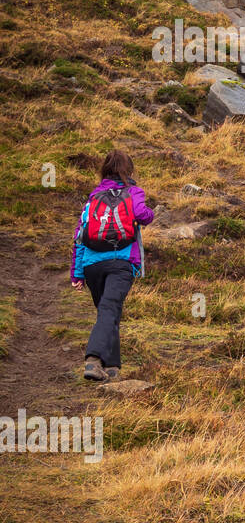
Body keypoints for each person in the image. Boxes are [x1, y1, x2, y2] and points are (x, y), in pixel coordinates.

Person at [71, 149, 155, 381]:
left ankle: (112, 367)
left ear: (105, 171)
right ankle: (93, 360)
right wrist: (150, 213)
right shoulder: (133, 192)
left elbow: (80, 235)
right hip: (121, 262)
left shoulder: (94, 197)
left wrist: (77, 273)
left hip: (92, 265)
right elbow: (142, 215)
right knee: (109, 309)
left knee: (107, 311)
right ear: (129, 170)